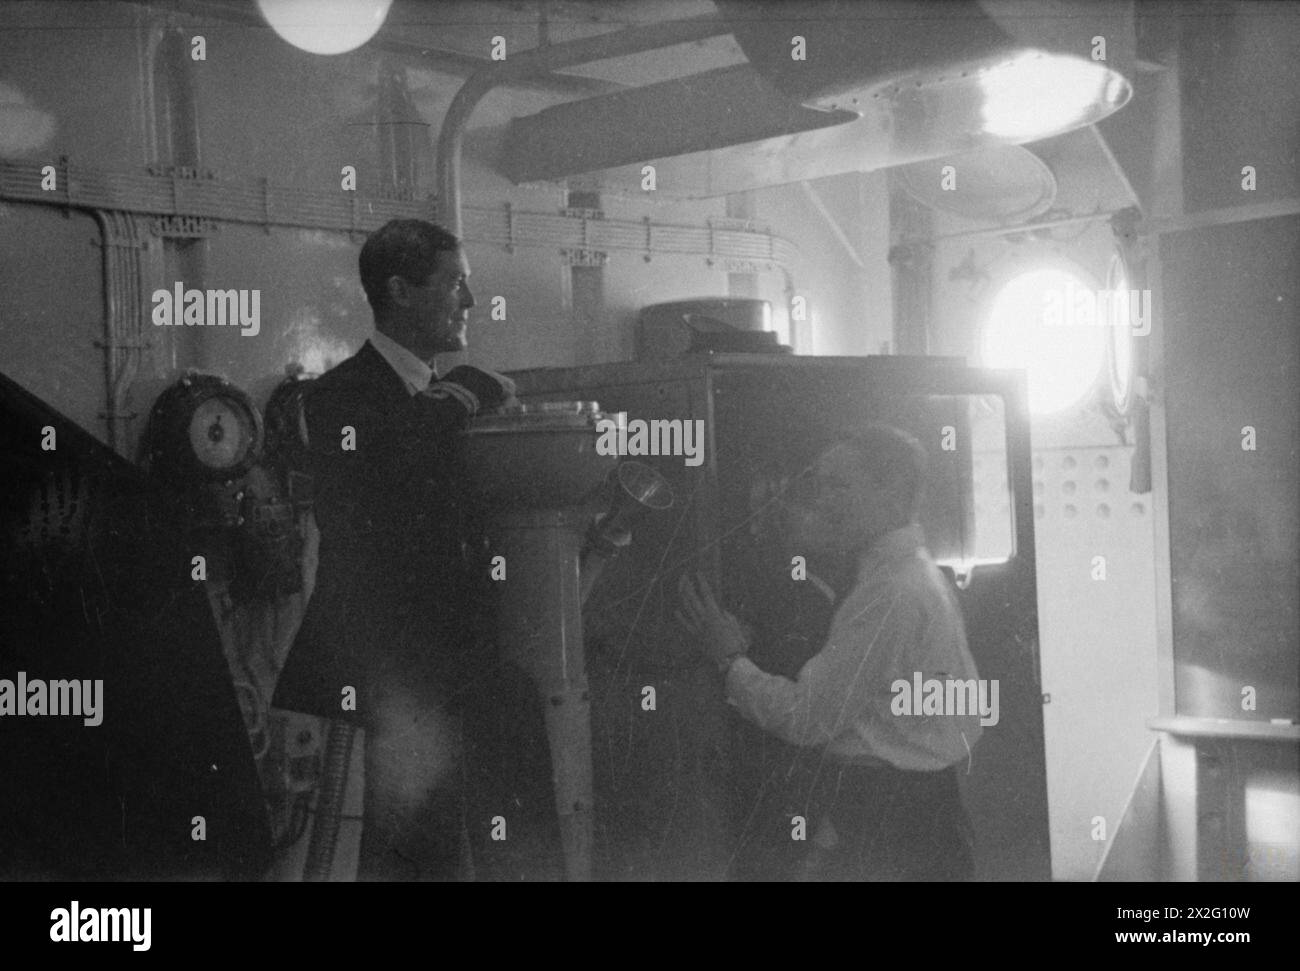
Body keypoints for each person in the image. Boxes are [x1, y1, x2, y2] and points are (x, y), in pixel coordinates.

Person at [272, 218, 516, 880]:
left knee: (448, 850)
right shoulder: (341, 397)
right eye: (456, 283)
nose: (469, 301)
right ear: (401, 291)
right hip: (388, 676)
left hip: (453, 668)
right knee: (408, 855)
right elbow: (396, 457)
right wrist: (465, 390)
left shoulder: (437, 400)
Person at [678, 424, 981, 881]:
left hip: (888, 821)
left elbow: (808, 717)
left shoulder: (890, 593)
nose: (821, 500)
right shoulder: (908, 577)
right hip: (910, 811)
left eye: (838, 485)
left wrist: (728, 660)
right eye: (819, 485)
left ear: (892, 494)